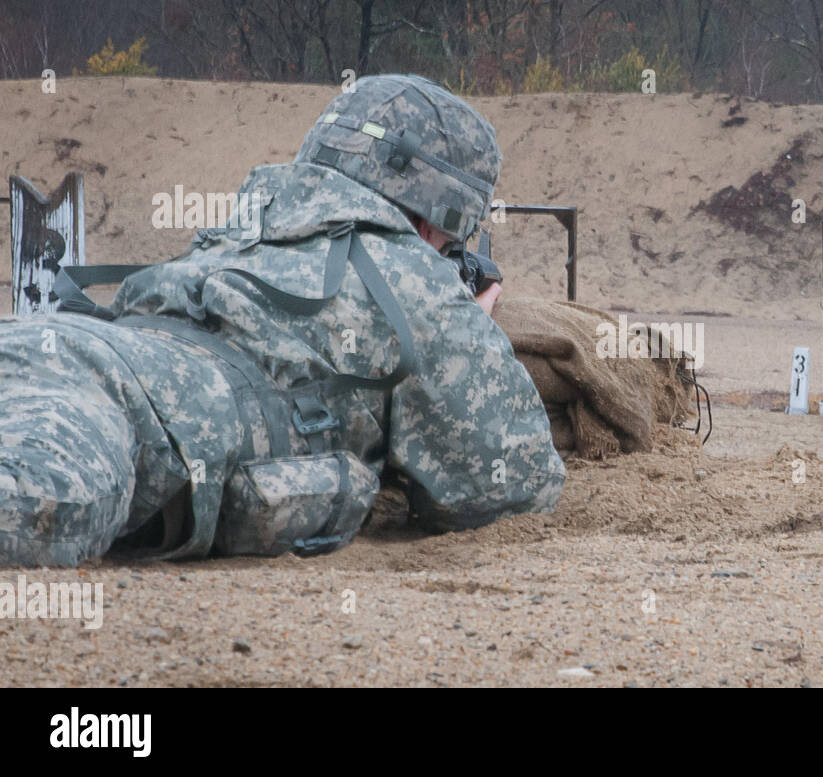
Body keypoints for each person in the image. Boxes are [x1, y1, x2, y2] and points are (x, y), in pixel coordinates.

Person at [0, 74, 566, 566]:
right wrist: (469, 324)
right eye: (450, 242)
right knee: (32, 515)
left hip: (47, 344)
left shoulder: (249, 225)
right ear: (427, 223)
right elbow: (512, 488)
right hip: (108, 399)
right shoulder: (415, 277)